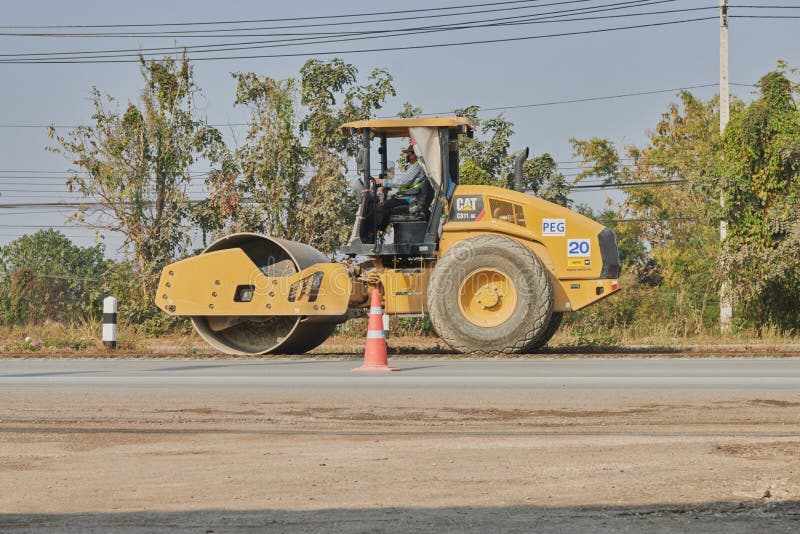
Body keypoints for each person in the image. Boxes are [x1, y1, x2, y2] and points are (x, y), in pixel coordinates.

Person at [374, 144, 428, 231]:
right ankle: (378, 230)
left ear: (415, 154)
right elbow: (404, 187)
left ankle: (373, 233)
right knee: (385, 205)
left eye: (409, 154)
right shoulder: (417, 167)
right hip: (410, 197)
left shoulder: (417, 166)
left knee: (381, 207)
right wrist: (390, 191)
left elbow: (401, 182)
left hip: (410, 200)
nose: (407, 156)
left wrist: (382, 182)